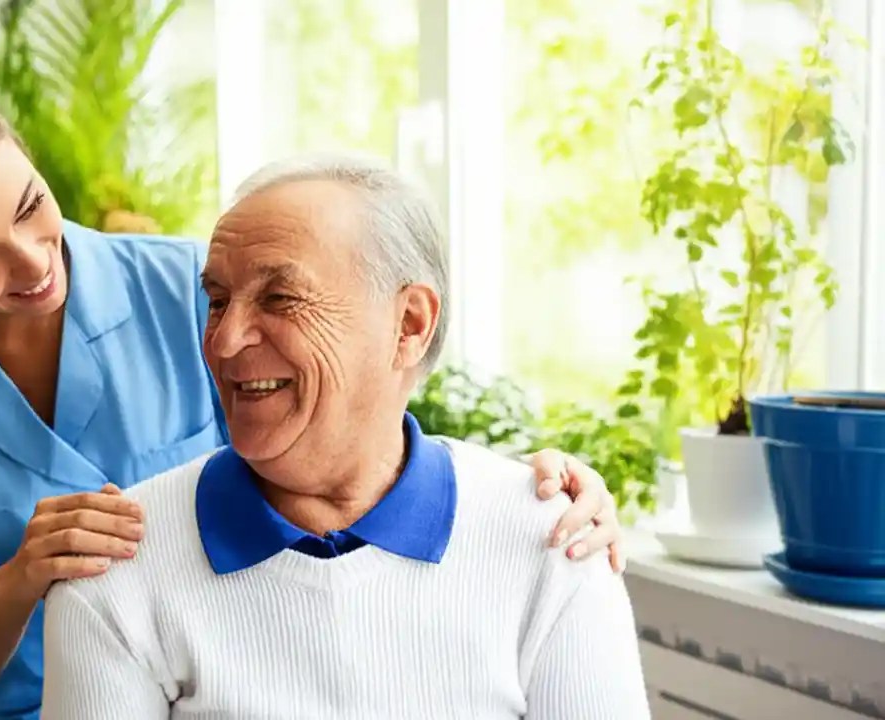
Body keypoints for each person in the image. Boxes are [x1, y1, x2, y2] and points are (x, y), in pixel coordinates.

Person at [0, 62, 629, 720]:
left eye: (32, 206)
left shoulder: (194, 285)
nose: (34, 265)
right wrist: (21, 579)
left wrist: (525, 492)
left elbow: (359, 407)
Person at [40, 154, 651, 720]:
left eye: (280, 297)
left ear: (408, 325)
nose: (224, 342)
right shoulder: (115, 567)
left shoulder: (556, 542)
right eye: (219, 301)